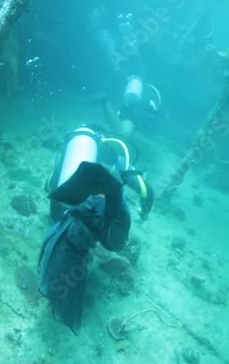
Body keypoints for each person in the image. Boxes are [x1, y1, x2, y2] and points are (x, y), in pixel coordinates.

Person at [37, 126, 153, 334]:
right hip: (106, 210)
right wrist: (145, 209)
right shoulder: (118, 153)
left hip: (75, 201)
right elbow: (146, 190)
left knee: (62, 219)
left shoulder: (70, 148)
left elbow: (52, 184)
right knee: (114, 243)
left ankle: (65, 254)